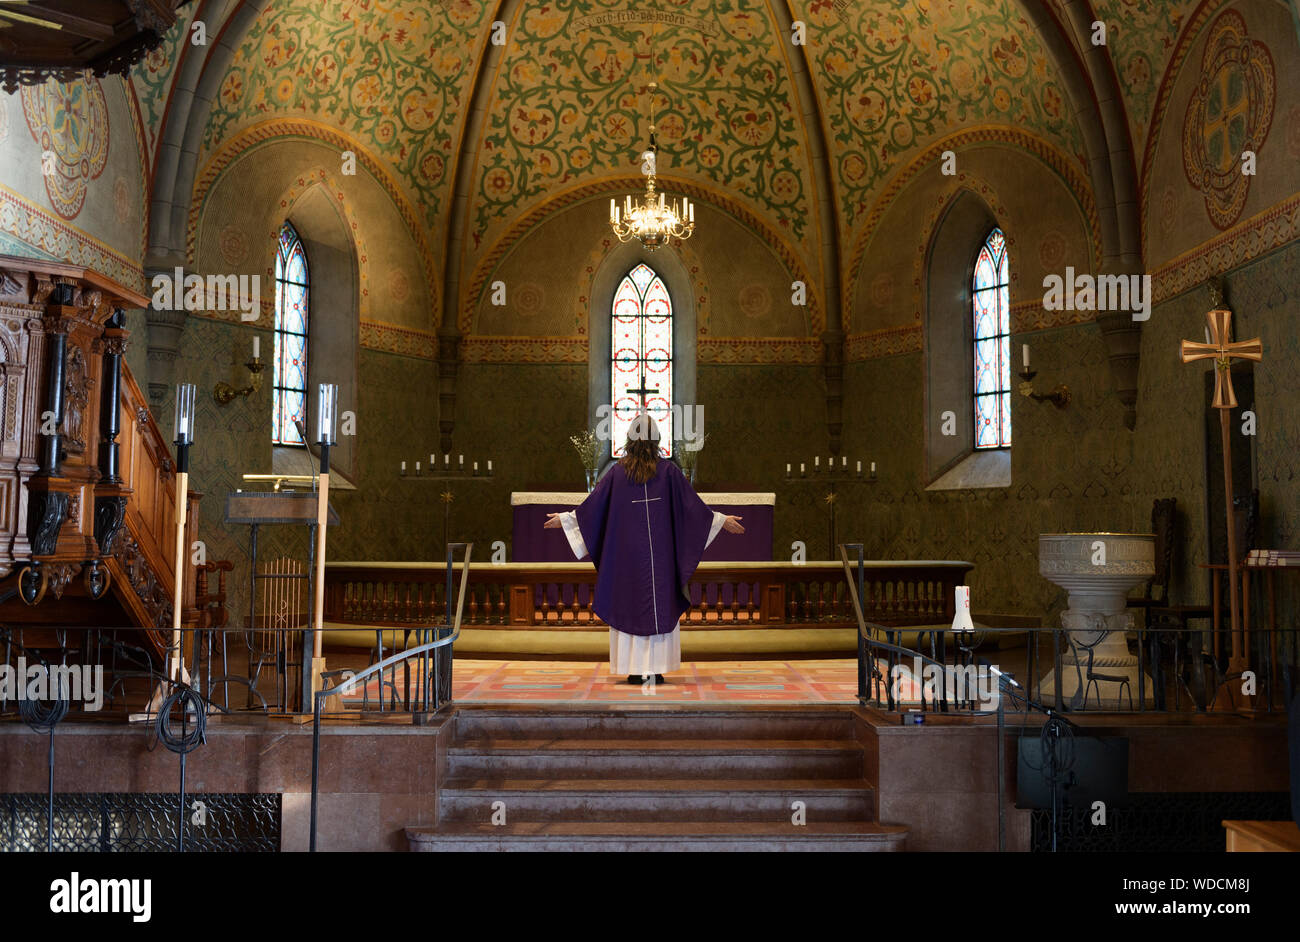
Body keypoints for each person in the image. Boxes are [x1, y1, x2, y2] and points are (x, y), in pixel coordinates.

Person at [544, 414, 744, 684]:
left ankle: (634, 668)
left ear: (630, 439)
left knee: (630, 602)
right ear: (656, 439)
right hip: (660, 560)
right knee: (658, 601)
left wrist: (566, 520)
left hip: (627, 561)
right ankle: (656, 668)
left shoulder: (618, 472)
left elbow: (592, 510)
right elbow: (694, 513)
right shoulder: (668, 472)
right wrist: (721, 521)